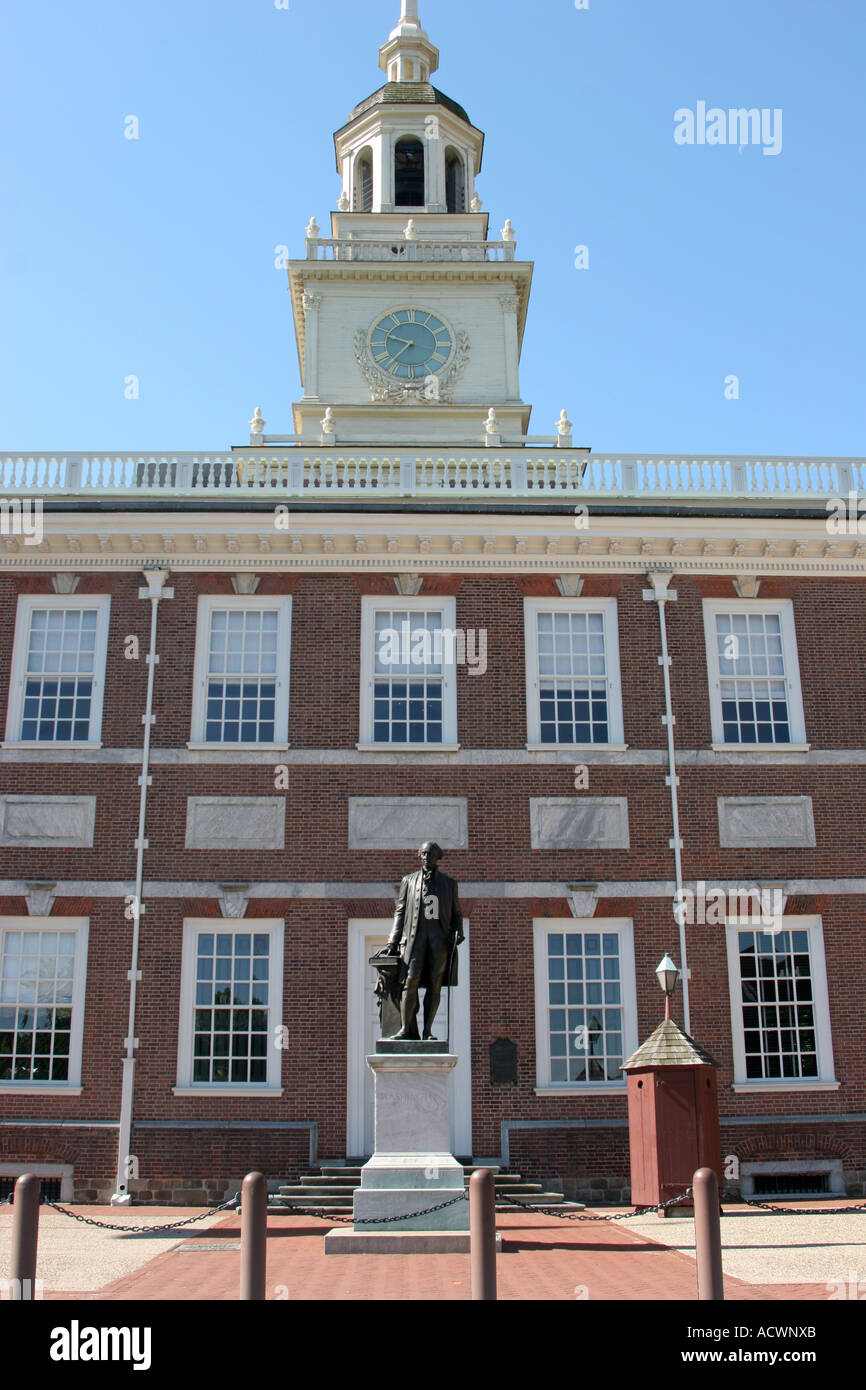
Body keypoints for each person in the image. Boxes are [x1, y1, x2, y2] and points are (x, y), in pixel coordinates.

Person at [386, 841, 464, 1040]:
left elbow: (456, 913)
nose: (425, 857)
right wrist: (392, 942)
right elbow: (400, 912)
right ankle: (405, 1028)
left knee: (434, 985)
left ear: (438, 857)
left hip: (438, 941)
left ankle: (428, 1030)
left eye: (429, 854)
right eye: (423, 854)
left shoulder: (449, 884)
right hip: (415, 940)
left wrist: (458, 931)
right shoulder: (409, 881)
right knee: (410, 981)